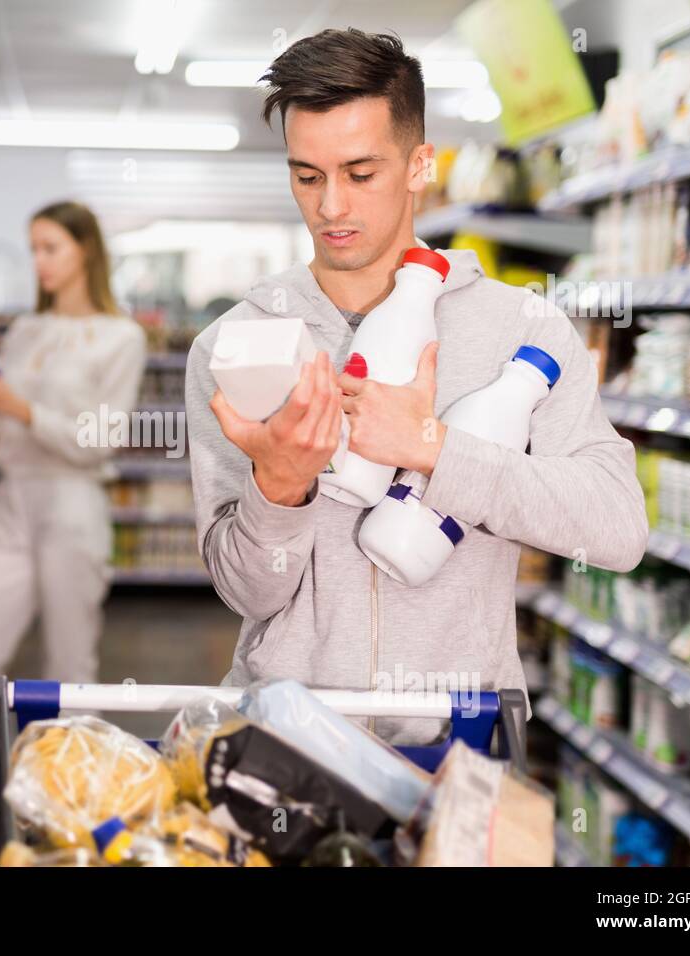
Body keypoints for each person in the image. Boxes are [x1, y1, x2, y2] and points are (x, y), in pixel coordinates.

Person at [185, 29, 649, 744]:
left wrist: (434, 446)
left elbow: (616, 530)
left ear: (419, 164)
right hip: (285, 735)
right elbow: (247, 592)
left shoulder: (523, 330)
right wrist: (279, 486)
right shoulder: (233, 347)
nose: (331, 206)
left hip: (459, 738)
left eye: (360, 173)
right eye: (307, 176)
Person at [0, 200, 147, 864]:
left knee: (70, 678)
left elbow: (98, 440)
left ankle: (68, 833)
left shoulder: (120, 336)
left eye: (51, 247)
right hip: (14, 505)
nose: (40, 262)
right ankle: (5, 817)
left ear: (85, 250)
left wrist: (18, 405)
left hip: (73, 509)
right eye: (33, 249)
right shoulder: (24, 328)